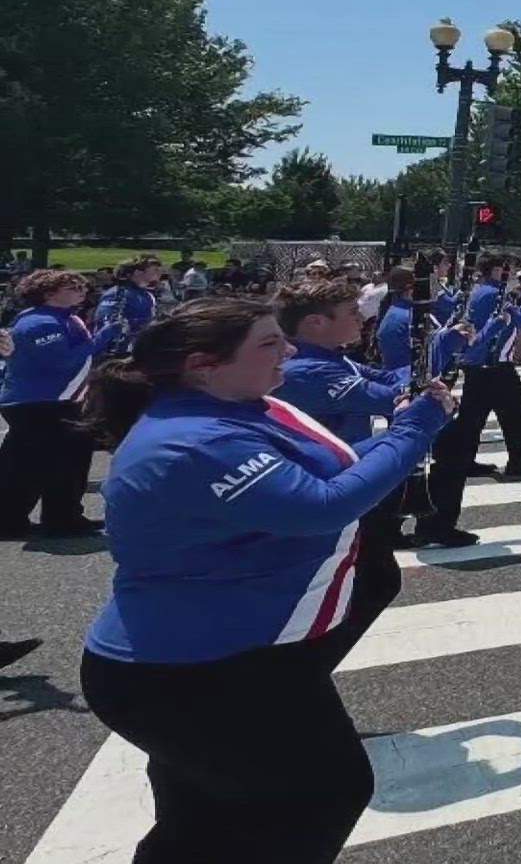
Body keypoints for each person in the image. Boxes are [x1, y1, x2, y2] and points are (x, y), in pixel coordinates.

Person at [77, 297, 452, 863]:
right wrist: (415, 430)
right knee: (316, 797)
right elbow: (321, 505)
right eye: (270, 344)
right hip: (191, 670)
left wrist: (405, 427)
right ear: (203, 364)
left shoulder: (242, 406)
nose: (291, 351)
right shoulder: (198, 440)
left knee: (207, 818)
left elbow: (339, 464)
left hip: (232, 656)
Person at [269, 279, 430, 655]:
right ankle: (301, 670)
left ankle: (303, 670)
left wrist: (439, 347)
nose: (362, 319)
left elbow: (392, 378)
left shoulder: (332, 358)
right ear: (315, 323)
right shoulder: (310, 370)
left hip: (346, 477)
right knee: (368, 581)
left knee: (374, 579)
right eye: (351, 314)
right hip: (331, 481)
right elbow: (390, 396)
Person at [418, 258, 521, 547]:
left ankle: (481, 457)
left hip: (477, 362)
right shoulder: (494, 294)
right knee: (512, 412)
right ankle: (520, 457)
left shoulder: (475, 292)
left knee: (475, 415)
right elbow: (517, 321)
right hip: (492, 361)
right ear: (497, 270)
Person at [0, 270, 124, 537]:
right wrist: (100, 339)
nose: (82, 291)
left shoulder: (62, 318)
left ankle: (63, 516)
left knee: (69, 462)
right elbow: (62, 362)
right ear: (48, 293)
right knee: (30, 465)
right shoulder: (40, 323)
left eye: (82, 286)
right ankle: (14, 520)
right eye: (72, 287)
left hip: (58, 402)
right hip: (39, 404)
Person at [93, 256, 163, 354]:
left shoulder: (147, 295)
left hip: (140, 348)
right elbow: (108, 323)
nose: (159, 273)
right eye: (155, 270)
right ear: (137, 272)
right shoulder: (118, 293)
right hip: (118, 352)